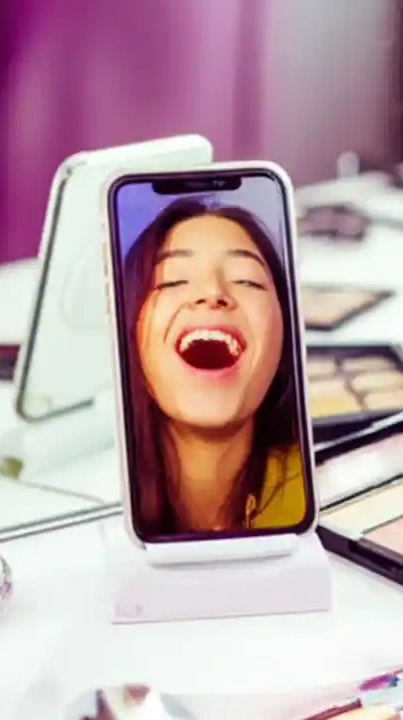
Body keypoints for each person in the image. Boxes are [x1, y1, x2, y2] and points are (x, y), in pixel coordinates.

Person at [120, 197, 307, 535]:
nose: (212, 293)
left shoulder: (328, 495)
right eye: (172, 280)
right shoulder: (92, 510)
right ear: (128, 338)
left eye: (246, 280)